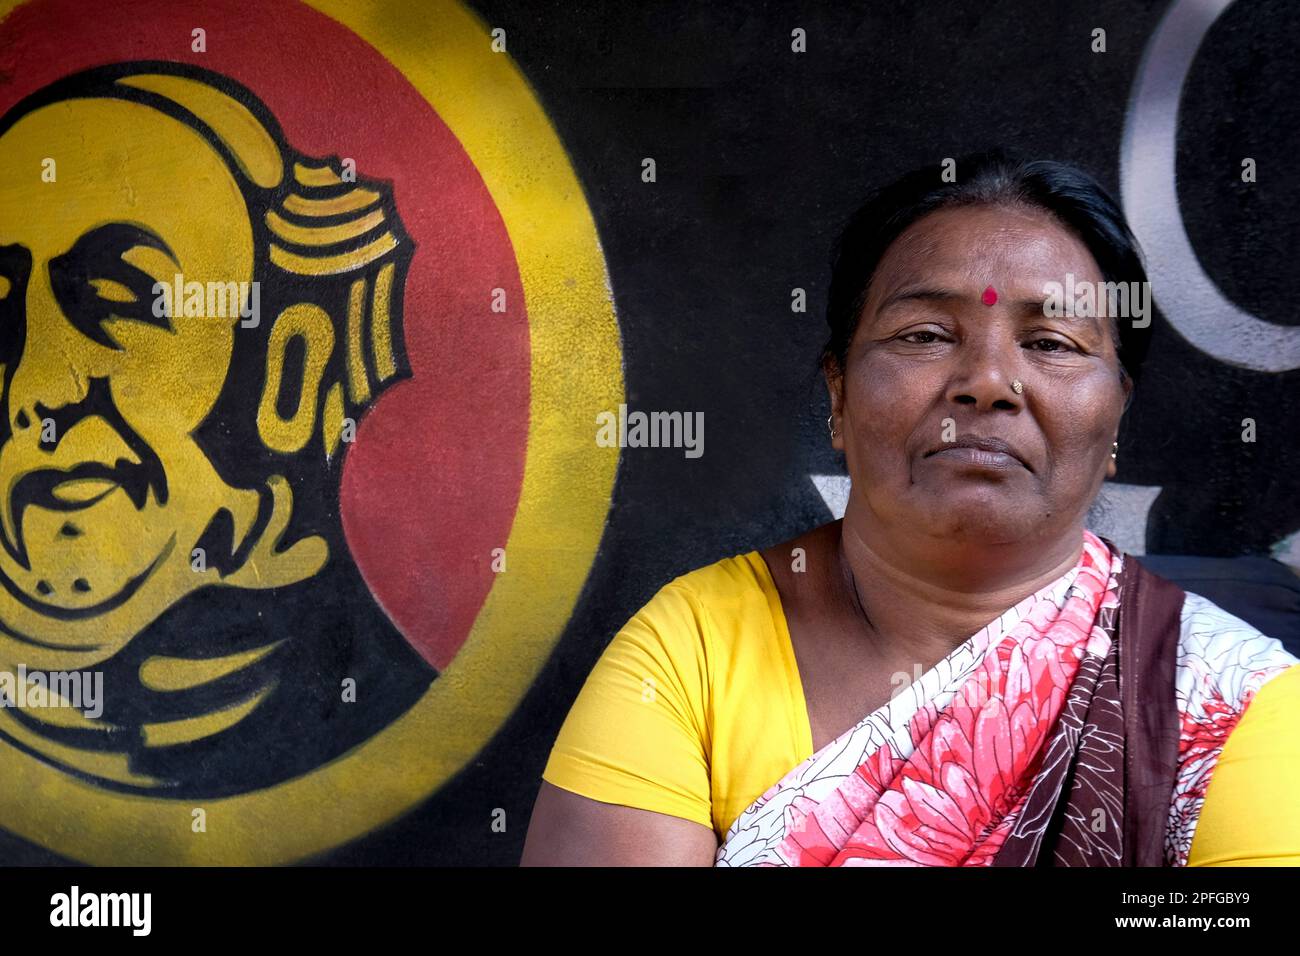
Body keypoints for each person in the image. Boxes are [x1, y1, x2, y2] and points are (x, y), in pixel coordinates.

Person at [521, 151, 1300, 866]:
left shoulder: (1230, 699)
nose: (987, 382)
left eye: (1051, 343)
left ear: (1117, 412)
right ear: (838, 394)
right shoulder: (691, 651)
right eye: (925, 335)